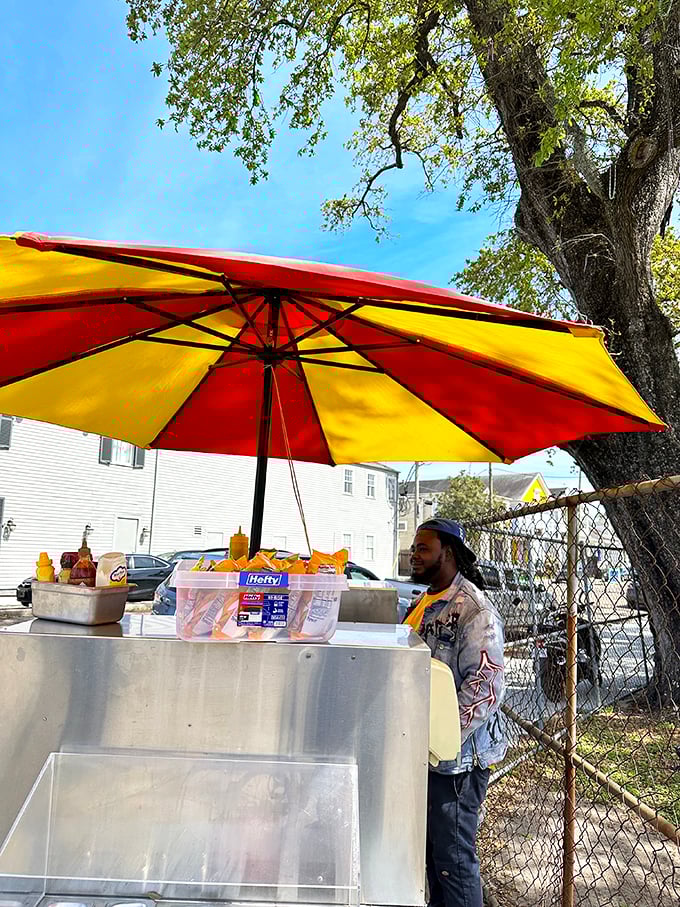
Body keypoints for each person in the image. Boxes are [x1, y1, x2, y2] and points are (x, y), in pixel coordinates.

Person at [404, 518, 506, 907]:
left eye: (423, 547)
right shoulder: (424, 603)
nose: (415, 554)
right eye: (414, 547)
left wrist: (439, 740)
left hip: (457, 760)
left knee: (454, 860)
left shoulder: (473, 610)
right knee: (433, 859)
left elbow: (485, 689)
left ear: (447, 553)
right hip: (428, 755)